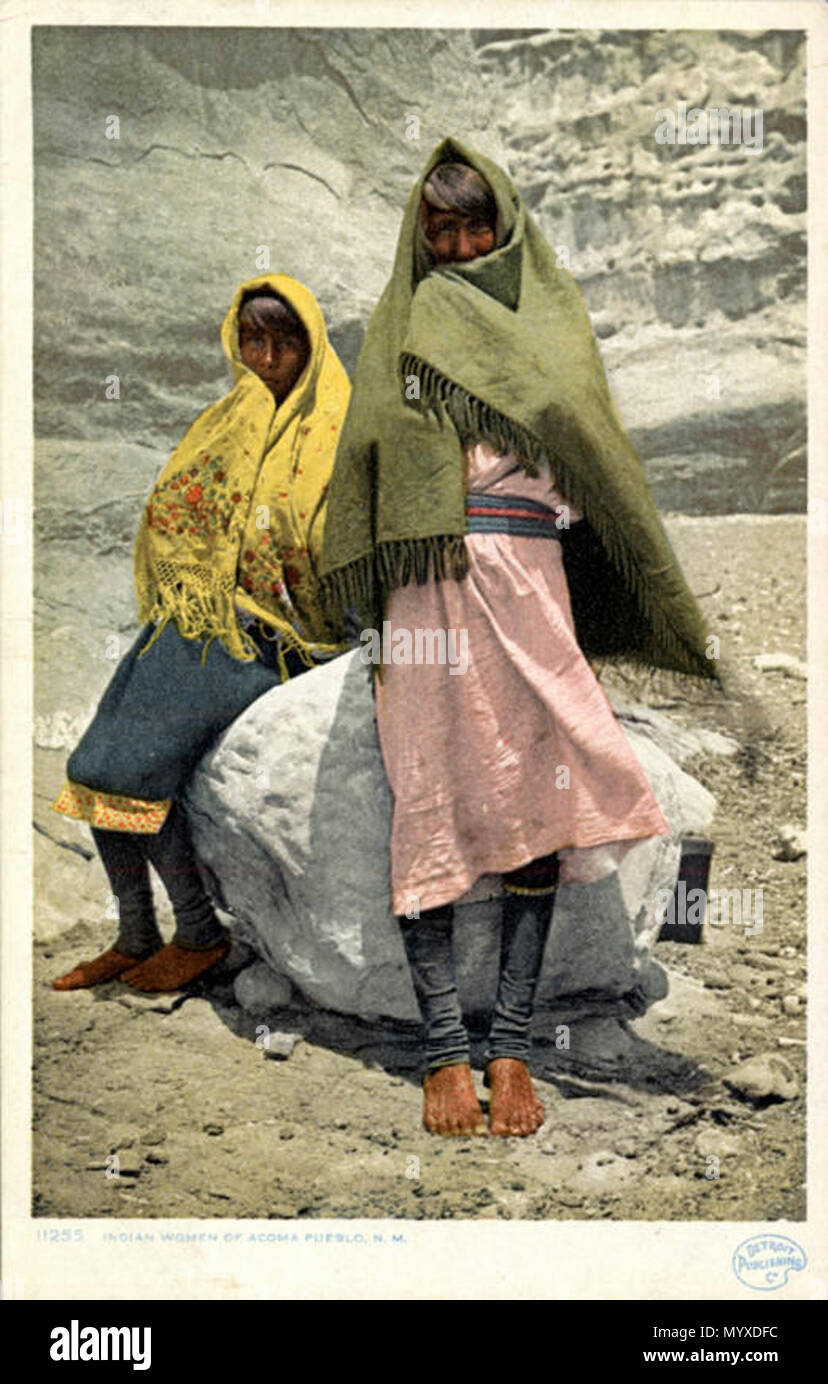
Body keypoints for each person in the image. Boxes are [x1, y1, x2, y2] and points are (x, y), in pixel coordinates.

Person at [320, 139, 718, 1138]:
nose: (456, 247)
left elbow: (595, 453)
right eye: (438, 230)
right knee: (433, 793)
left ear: (505, 225)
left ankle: (515, 1043)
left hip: (532, 582)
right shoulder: (399, 325)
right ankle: (447, 1049)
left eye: (472, 225)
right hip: (430, 594)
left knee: (537, 799)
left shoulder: (552, 316)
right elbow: (367, 460)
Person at [50, 273, 350, 993]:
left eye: (285, 342)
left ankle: (199, 933)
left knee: (128, 773)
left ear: (310, 349)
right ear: (235, 341)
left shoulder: (335, 430)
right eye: (254, 339)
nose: (268, 357)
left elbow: (339, 553)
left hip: (274, 639)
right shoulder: (223, 421)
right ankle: (133, 935)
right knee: (89, 769)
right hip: (196, 616)